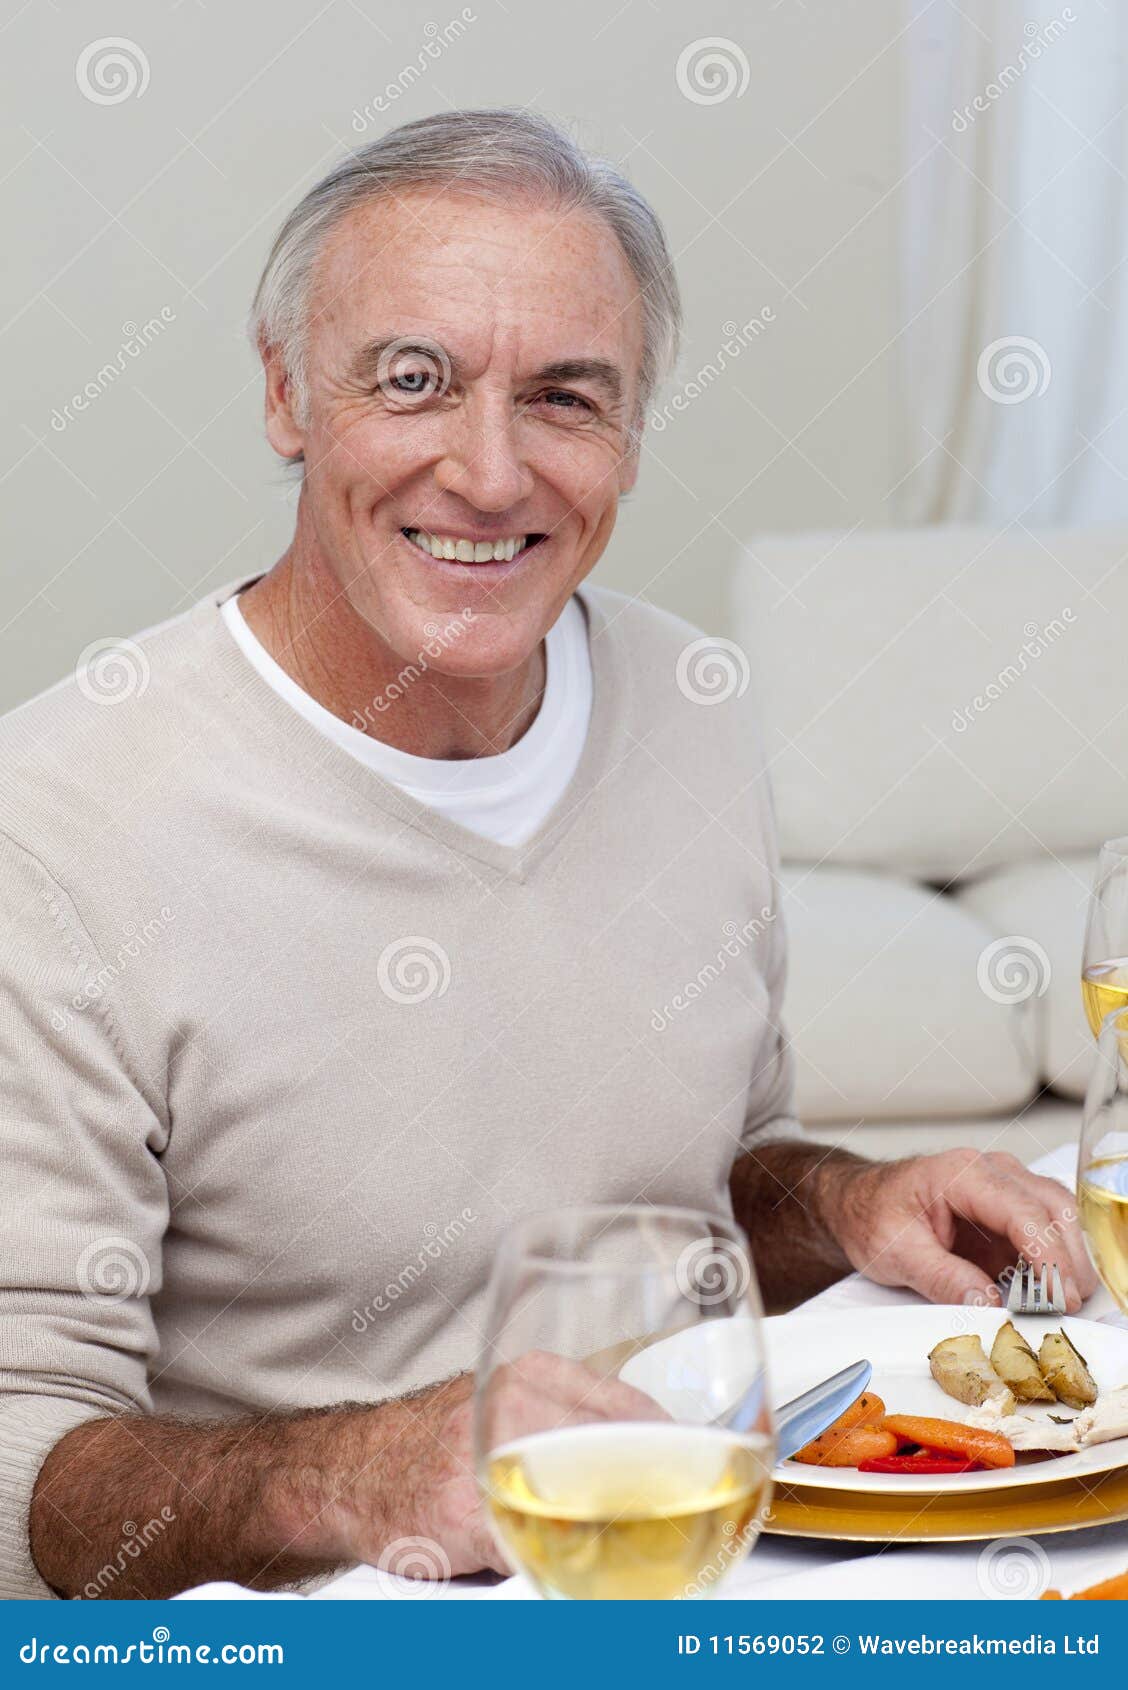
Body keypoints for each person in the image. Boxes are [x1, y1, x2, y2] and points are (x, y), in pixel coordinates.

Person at [0, 108, 1095, 1601]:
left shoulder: (692, 703)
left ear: (633, 430)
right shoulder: (56, 818)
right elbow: (26, 1469)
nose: (492, 471)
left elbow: (701, 1193)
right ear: (284, 393)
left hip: (677, 1570)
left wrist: (842, 1204)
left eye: (568, 397)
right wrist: (359, 1471)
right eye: (413, 381)